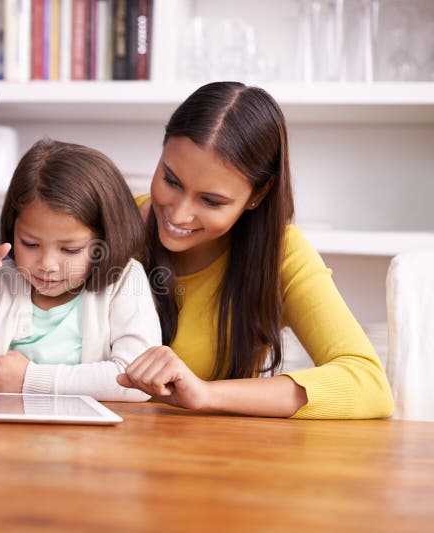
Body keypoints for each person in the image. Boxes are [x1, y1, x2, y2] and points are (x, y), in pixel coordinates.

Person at [117, 81, 394, 419]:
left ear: (257, 195)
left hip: (217, 458)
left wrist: (206, 393)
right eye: (171, 181)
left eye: (211, 201)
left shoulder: (280, 252)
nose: (178, 214)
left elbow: (368, 383)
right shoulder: (108, 226)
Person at [0, 139, 160, 401]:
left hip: (93, 440)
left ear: (104, 243)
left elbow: (137, 381)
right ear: (12, 228)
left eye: (70, 250)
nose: (47, 264)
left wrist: (29, 380)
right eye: (30, 244)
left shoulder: (123, 280)